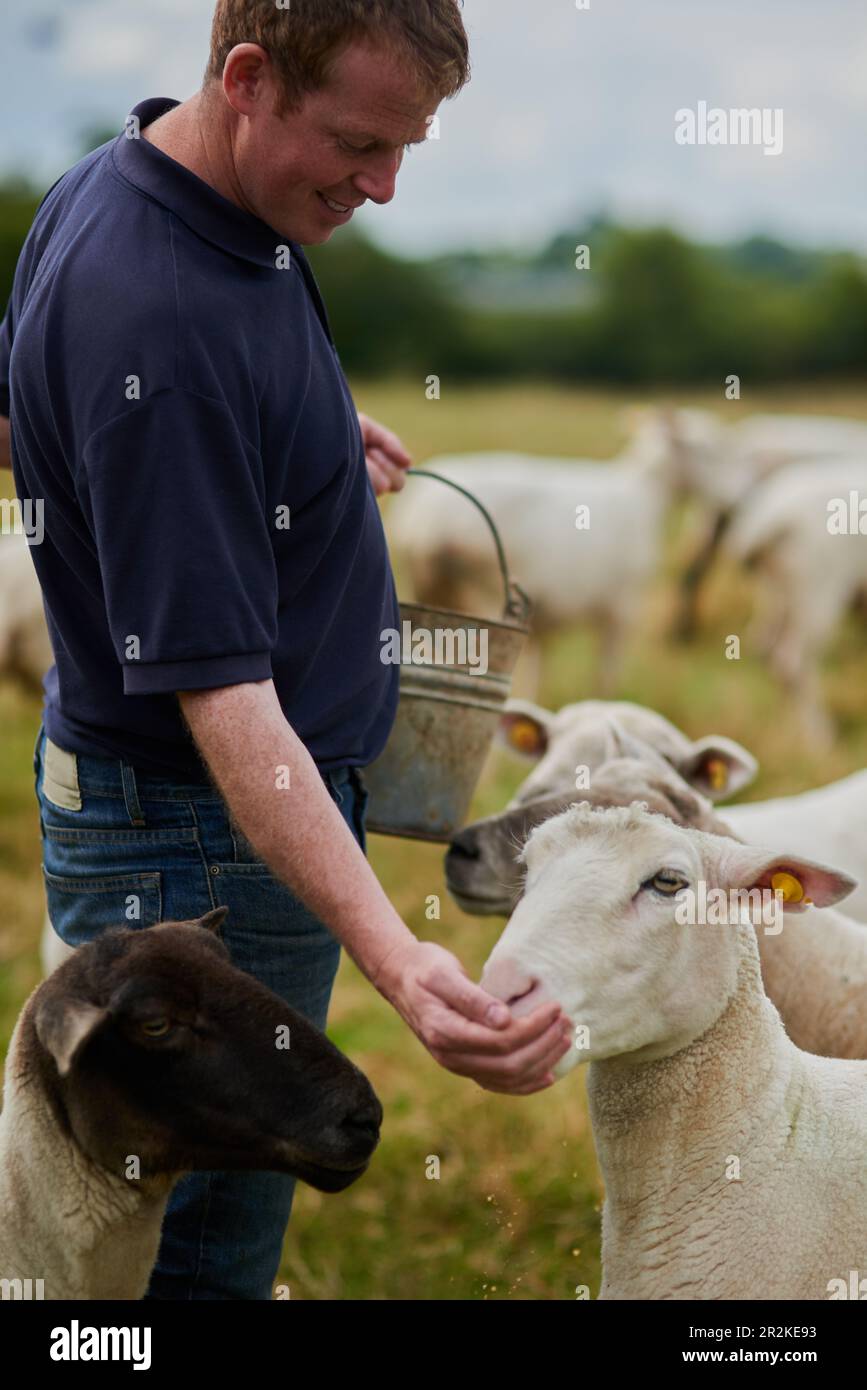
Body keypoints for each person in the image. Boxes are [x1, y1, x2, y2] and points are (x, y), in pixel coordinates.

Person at [0, 0, 572, 1300]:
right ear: (247, 77)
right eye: (361, 143)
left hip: (180, 807)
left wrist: (296, 439)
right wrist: (400, 957)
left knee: (179, 1205)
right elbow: (227, 702)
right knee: (196, 1230)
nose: (382, 186)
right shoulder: (166, 317)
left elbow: (24, 391)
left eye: (408, 148)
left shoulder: (135, 179)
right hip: (207, 832)